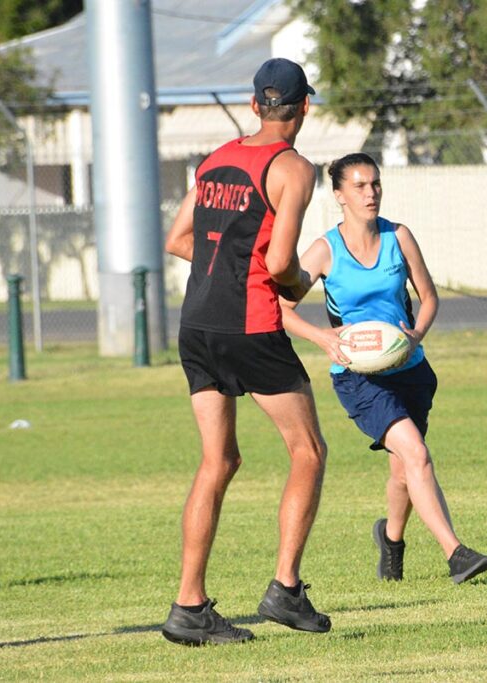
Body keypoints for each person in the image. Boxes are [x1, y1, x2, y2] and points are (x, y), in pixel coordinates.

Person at [160, 58, 331, 646]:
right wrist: (299, 283)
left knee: (219, 461)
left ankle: (189, 605)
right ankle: (285, 589)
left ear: (255, 105)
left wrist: (228, 270)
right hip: (250, 325)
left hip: (197, 324)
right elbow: (281, 263)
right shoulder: (294, 168)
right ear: (304, 107)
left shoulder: (216, 160)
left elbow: (178, 239)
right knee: (308, 450)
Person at [279, 152, 487, 585]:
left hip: (411, 371)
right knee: (416, 454)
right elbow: (282, 310)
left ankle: (391, 539)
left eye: (375, 183)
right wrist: (323, 338)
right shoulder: (324, 251)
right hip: (359, 379)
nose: (370, 193)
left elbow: (429, 297)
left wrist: (415, 335)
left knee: (403, 469)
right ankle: (456, 553)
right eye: (359, 186)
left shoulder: (399, 236)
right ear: (339, 195)